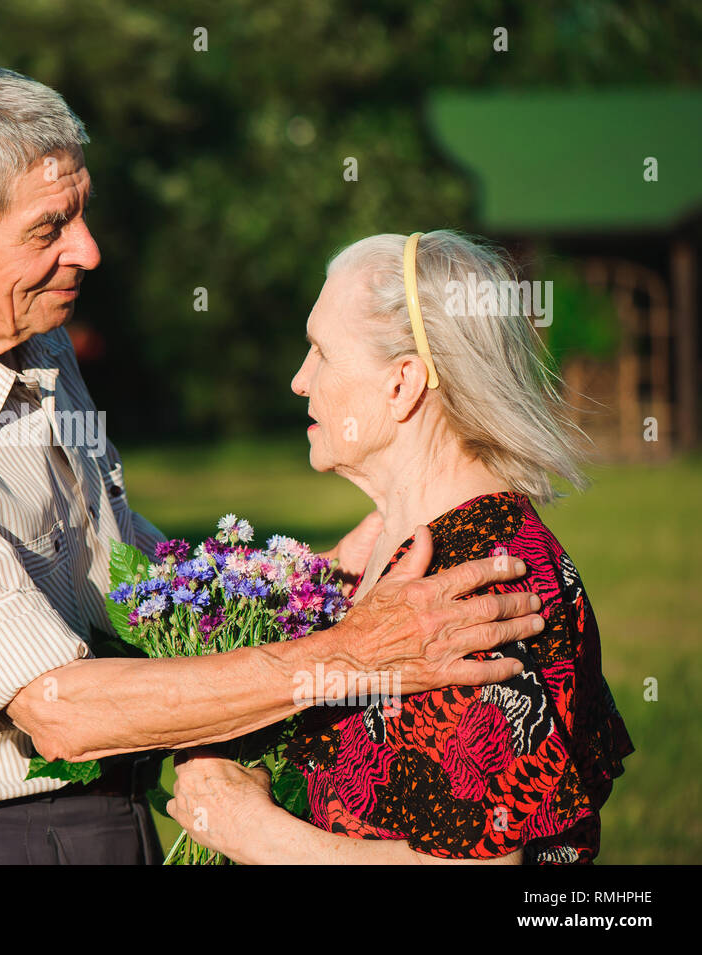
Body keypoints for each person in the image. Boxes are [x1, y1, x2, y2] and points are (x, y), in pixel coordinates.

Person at [0, 68, 544, 865]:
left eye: (82, 212)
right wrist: (349, 653)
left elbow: (125, 579)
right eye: (48, 229)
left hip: (112, 811)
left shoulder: (32, 339)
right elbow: (57, 709)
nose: (88, 250)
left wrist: (309, 580)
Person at [169, 230, 634, 863]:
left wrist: (250, 830)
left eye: (321, 353)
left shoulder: (472, 584)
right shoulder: (422, 550)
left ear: (403, 384)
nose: (299, 380)